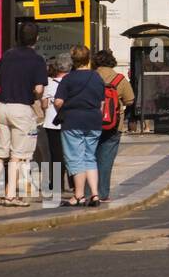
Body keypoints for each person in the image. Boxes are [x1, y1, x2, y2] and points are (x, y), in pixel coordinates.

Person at [0, 21, 48, 206]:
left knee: (0, 153)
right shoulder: (37, 59)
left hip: (2, 108)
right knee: (17, 154)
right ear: (36, 38)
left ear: (17, 37)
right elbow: (38, 89)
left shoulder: (8, 54)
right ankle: (10, 196)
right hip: (21, 109)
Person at [54, 45, 106, 207]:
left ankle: (78, 195)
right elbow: (102, 104)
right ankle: (95, 194)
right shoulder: (97, 78)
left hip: (73, 122)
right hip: (94, 121)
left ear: (73, 61)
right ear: (88, 59)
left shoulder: (68, 79)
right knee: (90, 157)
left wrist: (61, 110)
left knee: (75, 158)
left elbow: (58, 102)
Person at [91, 49, 135, 204]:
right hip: (113, 125)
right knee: (106, 160)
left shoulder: (91, 76)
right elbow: (130, 100)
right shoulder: (119, 79)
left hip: (91, 123)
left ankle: (88, 192)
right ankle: (102, 193)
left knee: (89, 158)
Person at [35, 61, 69, 201]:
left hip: (51, 123)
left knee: (55, 155)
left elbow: (43, 104)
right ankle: (73, 183)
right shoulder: (71, 82)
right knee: (69, 153)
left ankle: (56, 184)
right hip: (68, 122)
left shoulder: (48, 84)